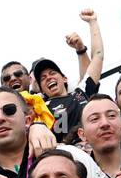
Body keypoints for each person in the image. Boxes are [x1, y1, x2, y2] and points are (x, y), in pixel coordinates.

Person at [32, 10, 105, 141]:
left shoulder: (80, 94)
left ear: (64, 78)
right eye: (43, 78)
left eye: (52, 73)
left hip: (92, 153)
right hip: (61, 156)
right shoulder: (39, 107)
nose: (48, 77)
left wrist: (92, 22)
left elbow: (98, 56)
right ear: (42, 89)